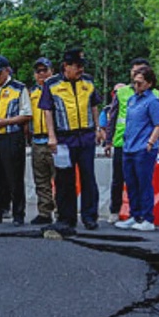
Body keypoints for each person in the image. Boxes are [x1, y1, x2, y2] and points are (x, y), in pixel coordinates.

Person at [40, 48, 102, 230]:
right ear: (66, 66)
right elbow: (47, 110)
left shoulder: (88, 82)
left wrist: (98, 128)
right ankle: (66, 218)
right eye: (77, 66)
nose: (80, 69)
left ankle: (90, 216)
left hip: (86, 137)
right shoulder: (52, 84)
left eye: (82, 65)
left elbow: (94, 106)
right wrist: (51, 135)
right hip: (64, 139)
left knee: (88, 177)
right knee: (64, 179)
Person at [0, 56, 32, 225]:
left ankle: (18, 214)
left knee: (14, 177)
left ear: (6, 70)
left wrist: (6, 122)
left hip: (12, 136)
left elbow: (27, 113)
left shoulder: (19, 88)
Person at [101, 58, 154, 223]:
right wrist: (108, 140)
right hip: (122, 142)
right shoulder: (123, 93)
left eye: (140, 71)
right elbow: (113, 116)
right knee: (120, 179)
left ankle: (142, 216)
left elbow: (158, 122)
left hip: (142, 144)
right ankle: (116, 211)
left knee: (142, 180)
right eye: (134, 71)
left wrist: (154, 143)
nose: (136, 74)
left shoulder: (154, 96)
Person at [115, 65, 159, 232]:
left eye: (140, 83)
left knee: (144, 183)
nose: (136, 86)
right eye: (135, 83)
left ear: (149, 83)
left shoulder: (153, 101)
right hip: (129, 146)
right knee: (131, 183)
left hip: (143, 148)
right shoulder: (132, 100)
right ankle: (134, 215)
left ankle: (147, 218)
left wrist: (150, 143)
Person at [29, 57, 56, 225]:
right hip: (37, 139)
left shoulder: (58, 89)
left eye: (44, 70)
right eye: (38, 71)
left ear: (51, 71)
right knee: (41, 179)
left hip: (55, 139)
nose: (41, 74)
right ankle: (44, 212)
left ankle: (62, 212)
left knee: (60, 178)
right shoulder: (31, 92)